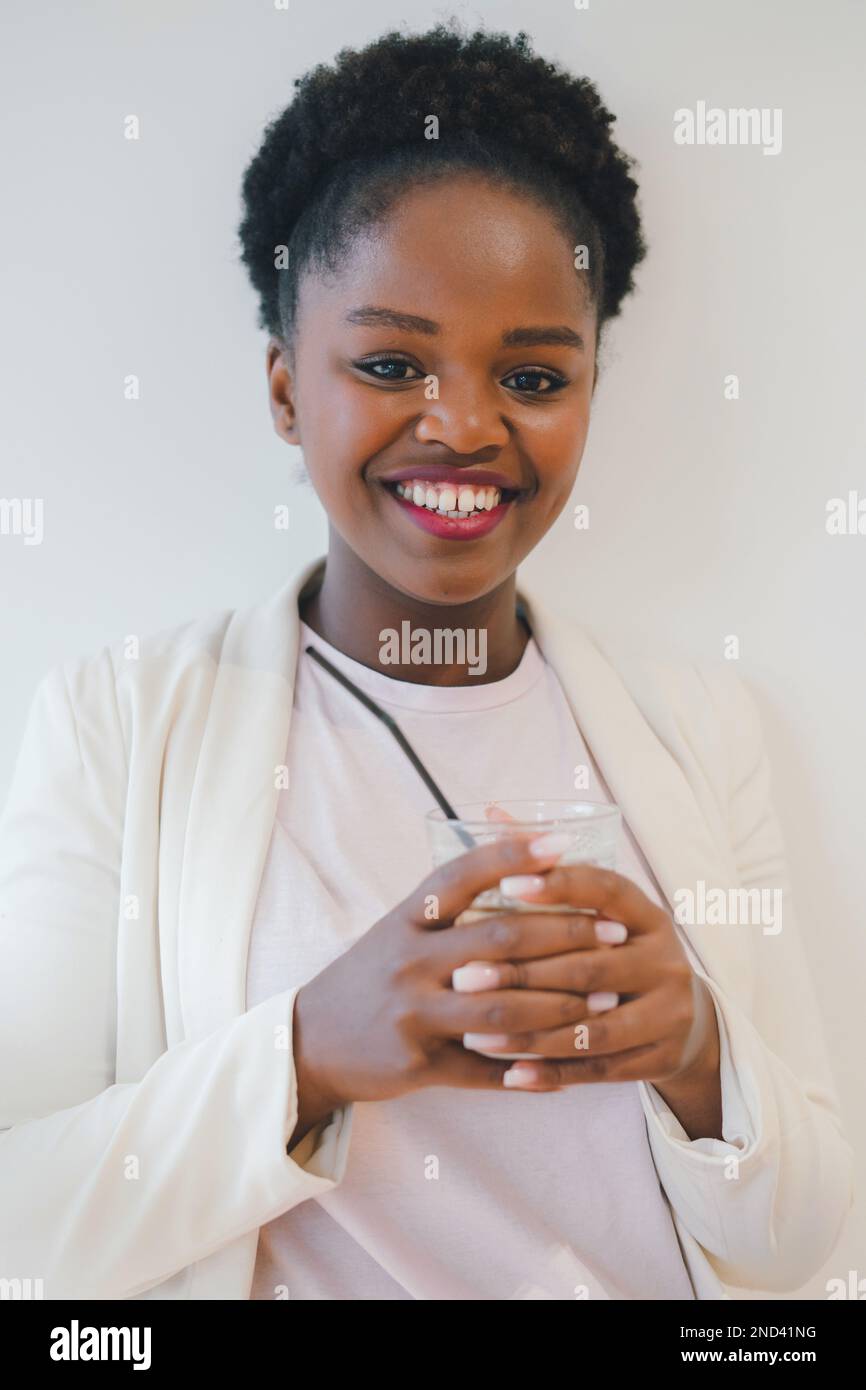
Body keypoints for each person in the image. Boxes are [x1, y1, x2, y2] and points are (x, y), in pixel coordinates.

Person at [0, 24, 852, 1301]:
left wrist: (695, 1047)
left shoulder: (700, 728)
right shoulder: (119, 723)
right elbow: (23, 1224)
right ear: (287, 390)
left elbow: (808, 1242)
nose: (462, 424)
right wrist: (309, 1052)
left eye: (531, 372)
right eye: (391, 363)